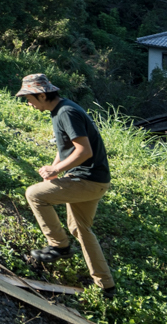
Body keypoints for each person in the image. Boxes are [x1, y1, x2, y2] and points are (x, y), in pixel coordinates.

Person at [15, 73, 116, 298]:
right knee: (80, 228)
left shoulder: (66, 113)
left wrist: (57, 170)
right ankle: (106, 285)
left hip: (87, 180)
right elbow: (67, 148)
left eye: (29, 98)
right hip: (94, 180)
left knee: (34, 194)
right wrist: (53, 169)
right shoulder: (61, 110)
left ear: (42, 95)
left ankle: (58, 246)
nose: (28, 104)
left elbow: (84, 151)